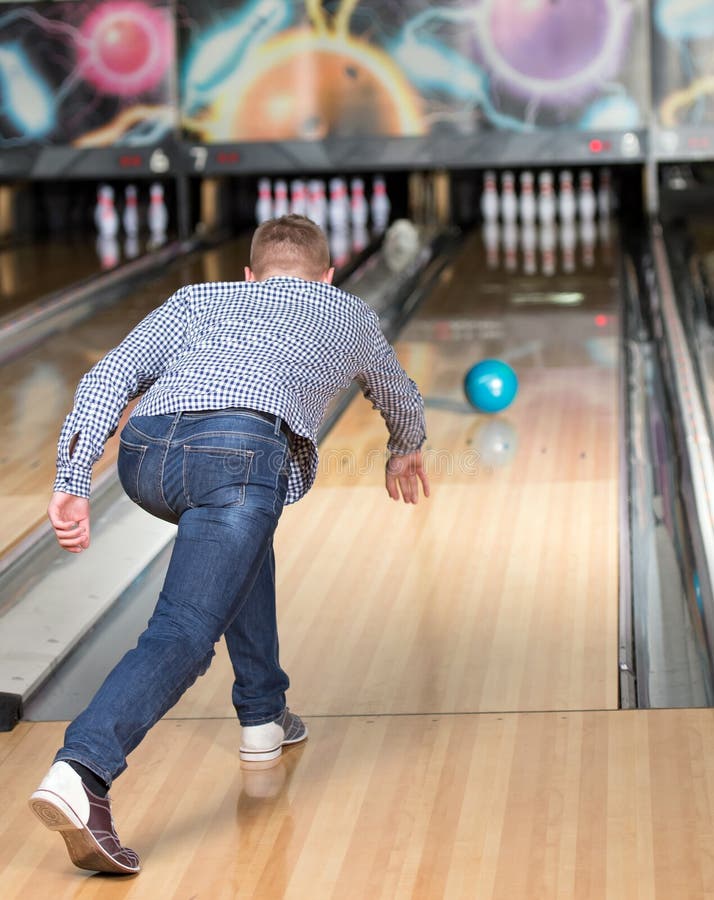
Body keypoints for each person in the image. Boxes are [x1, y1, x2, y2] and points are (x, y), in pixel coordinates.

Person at [29, 214, 429, 875]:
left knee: (241, 548)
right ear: (327, 276)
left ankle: (263, 713)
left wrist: (72, 479)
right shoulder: (346, 311)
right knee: (183, 630)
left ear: (249, 275)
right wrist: (405, 449)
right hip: (240, 455)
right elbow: (397, 394)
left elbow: (110, 376)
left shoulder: (196, 299)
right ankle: (83, 771)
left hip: (147, 453)